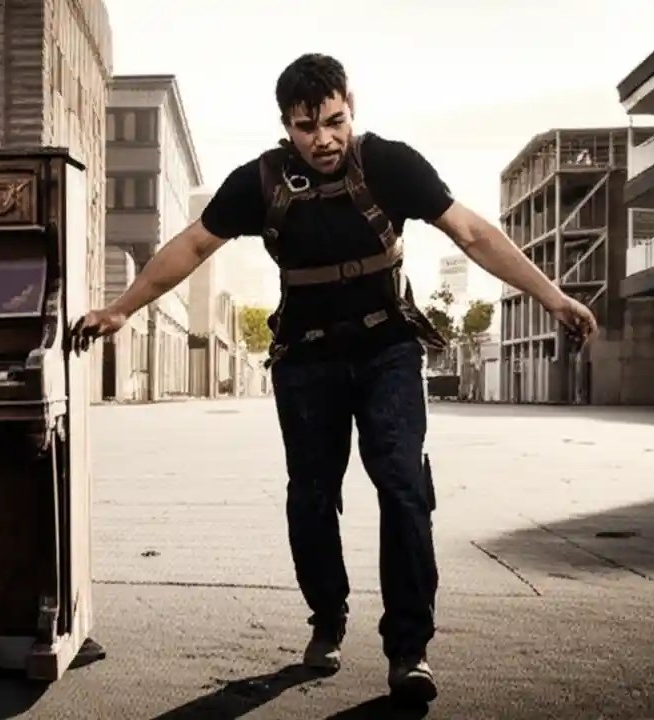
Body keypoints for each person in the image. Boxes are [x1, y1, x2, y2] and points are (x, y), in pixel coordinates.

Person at [69, 52, 597, 704]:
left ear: (352, 107)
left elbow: (473, 234)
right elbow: (192, 245)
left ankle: (409, 650)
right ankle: (328, 617)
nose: (323, 138)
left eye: (334, 120)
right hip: (307, 358)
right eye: (306, 126)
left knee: (404, 487)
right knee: (311, 497)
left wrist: (554, 297)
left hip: (389, 350)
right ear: (285, 126)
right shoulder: (259, 181)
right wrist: (121, 308)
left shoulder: (390, 165)